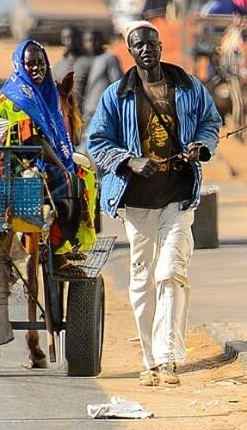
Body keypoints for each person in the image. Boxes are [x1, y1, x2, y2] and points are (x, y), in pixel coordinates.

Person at [88, 21, 222, 387]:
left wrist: (200, 146)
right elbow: (97, 142)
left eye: (151, 43)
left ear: (161, 47)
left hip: (178, 197)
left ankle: (168, 357)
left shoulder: (189, 87)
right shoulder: (117, 95)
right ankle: (150, 358)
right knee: (143, 279)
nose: (146, 49)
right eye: (138, 45)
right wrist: (130, 161)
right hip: (136, 202)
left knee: (170, 273)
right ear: (129, 52)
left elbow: (211, 122)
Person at [0, 40, 79, 372]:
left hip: (42, 175)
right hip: (5, 179)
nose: (36, 69)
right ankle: (66, 243)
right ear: (18, 65)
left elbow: (58, 141)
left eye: (40, 64)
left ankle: (65, 241)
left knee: (77, 183)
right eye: (30, 64)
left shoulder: (52, 97)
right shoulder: (4, 100)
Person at [81, 30, 123, 134]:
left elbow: (117, 84)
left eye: (94, 40)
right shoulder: (87, 61)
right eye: (87, 41)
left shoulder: (109, 58)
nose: (91, 44)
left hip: (102, 111)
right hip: (88, 111)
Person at [55, 25, 91, 109]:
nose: (69, 41)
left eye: (72, 37)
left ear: (79, 39)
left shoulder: (90, 62)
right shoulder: (58, 66)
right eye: (65, 38)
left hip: (85, 113)